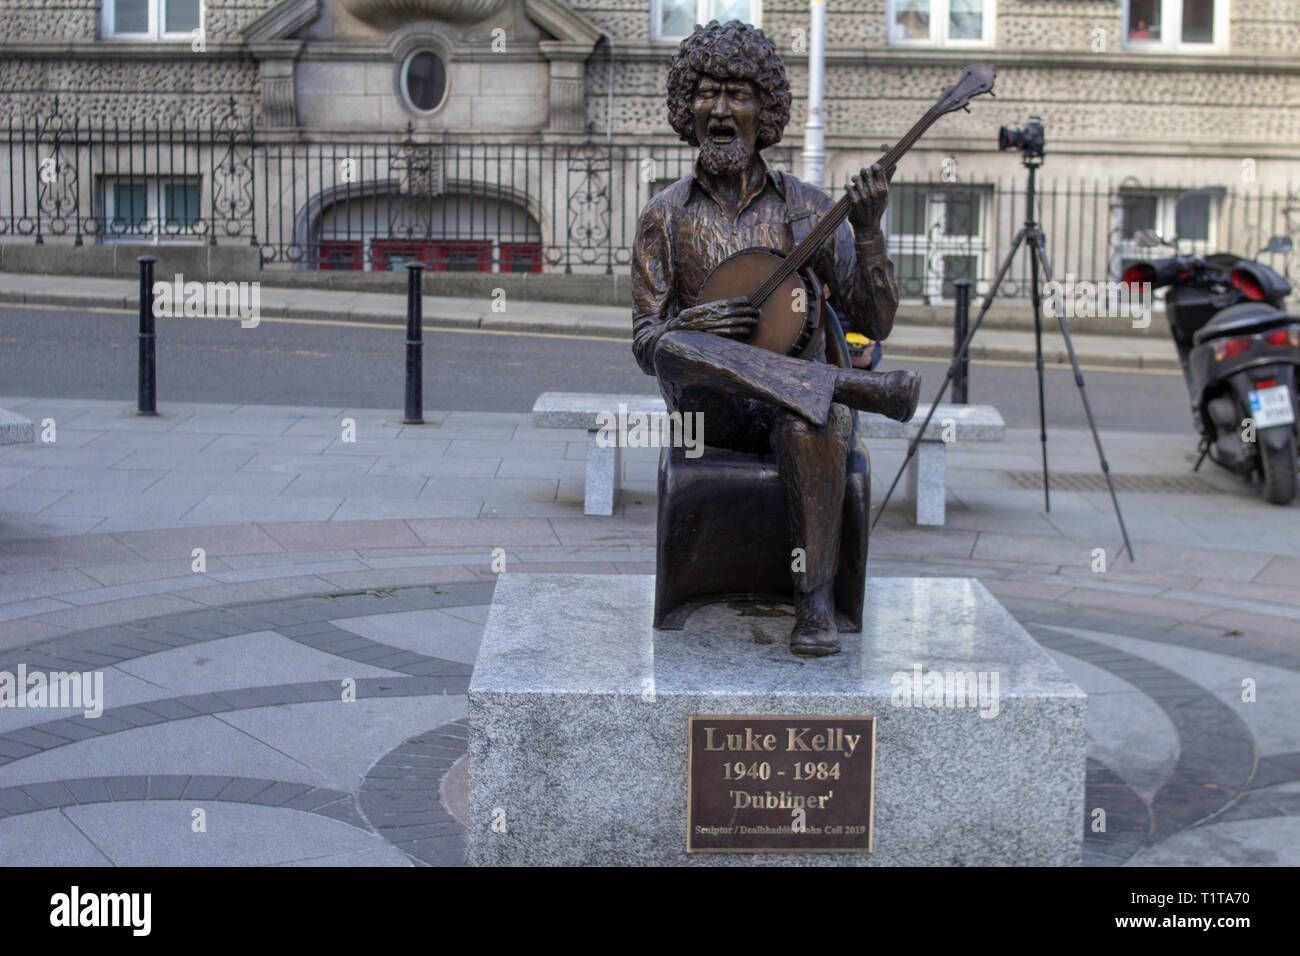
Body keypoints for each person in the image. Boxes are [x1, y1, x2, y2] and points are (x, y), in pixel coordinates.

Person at [631, 19, 919, 656]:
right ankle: (837, 388)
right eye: (708, 92)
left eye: (739, 93)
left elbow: (875, 320)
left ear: (767, 109)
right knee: (680, 347)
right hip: (709, 414)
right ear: (687, 107)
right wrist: (689, 326)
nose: (723, 109)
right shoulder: (664, 215)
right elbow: (647, 344)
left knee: (808, 418)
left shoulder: (810, 209)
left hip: (792, 409)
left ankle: (812, 599)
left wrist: (869, 233)